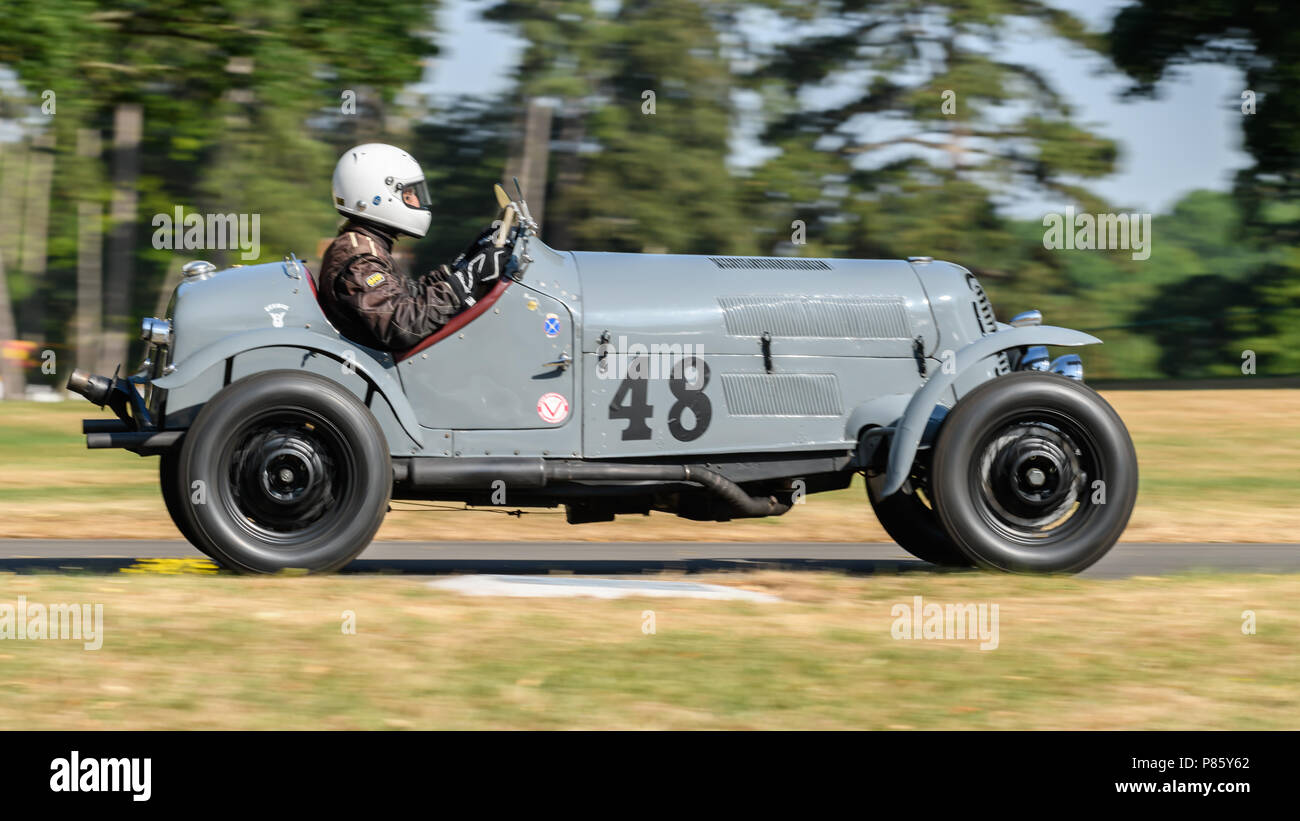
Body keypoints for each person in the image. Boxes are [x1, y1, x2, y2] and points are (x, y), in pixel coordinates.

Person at [318, 143, 507, 351]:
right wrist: (469, 277)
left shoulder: (367, 245)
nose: (417, 201)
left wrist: (465, 264)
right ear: (377, 195)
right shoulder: (359, 261)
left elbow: (411, 295)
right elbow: (403, 326)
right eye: (408, 194)